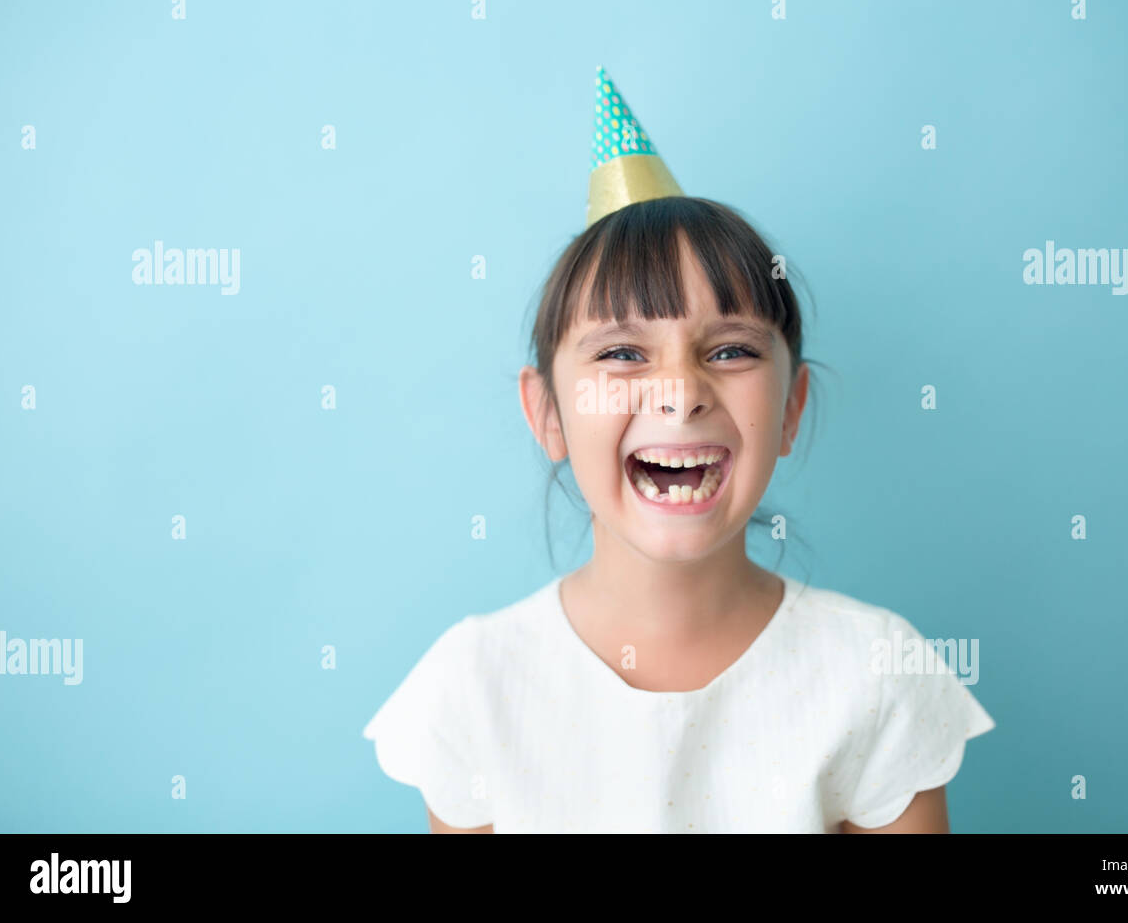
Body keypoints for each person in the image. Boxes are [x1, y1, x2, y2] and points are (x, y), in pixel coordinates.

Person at [363, 66, 995, 833]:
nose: (678, 393)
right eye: (623, 354)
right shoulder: (477, 684)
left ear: (791, 411)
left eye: (729, 351)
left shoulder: (875, 672)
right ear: (548, 414)